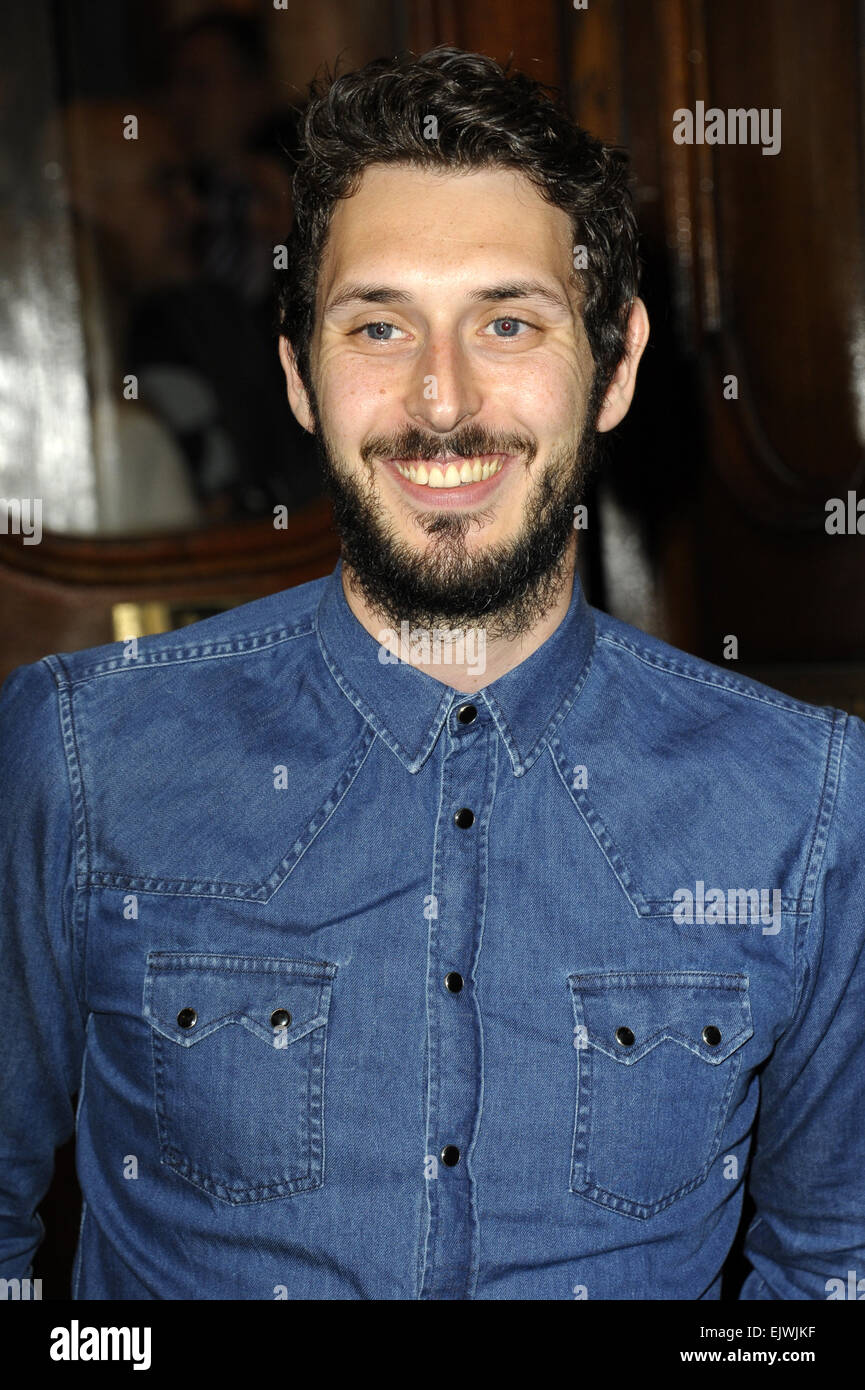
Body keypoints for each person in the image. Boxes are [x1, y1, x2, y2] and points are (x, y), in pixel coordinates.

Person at [1, 45, 863, 1301]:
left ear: (614, 366)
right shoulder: (80, 753)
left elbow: (835, 1264)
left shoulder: (808, 797)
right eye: (379, 324)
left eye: (507, 322)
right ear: (300, 373)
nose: (441, 401)